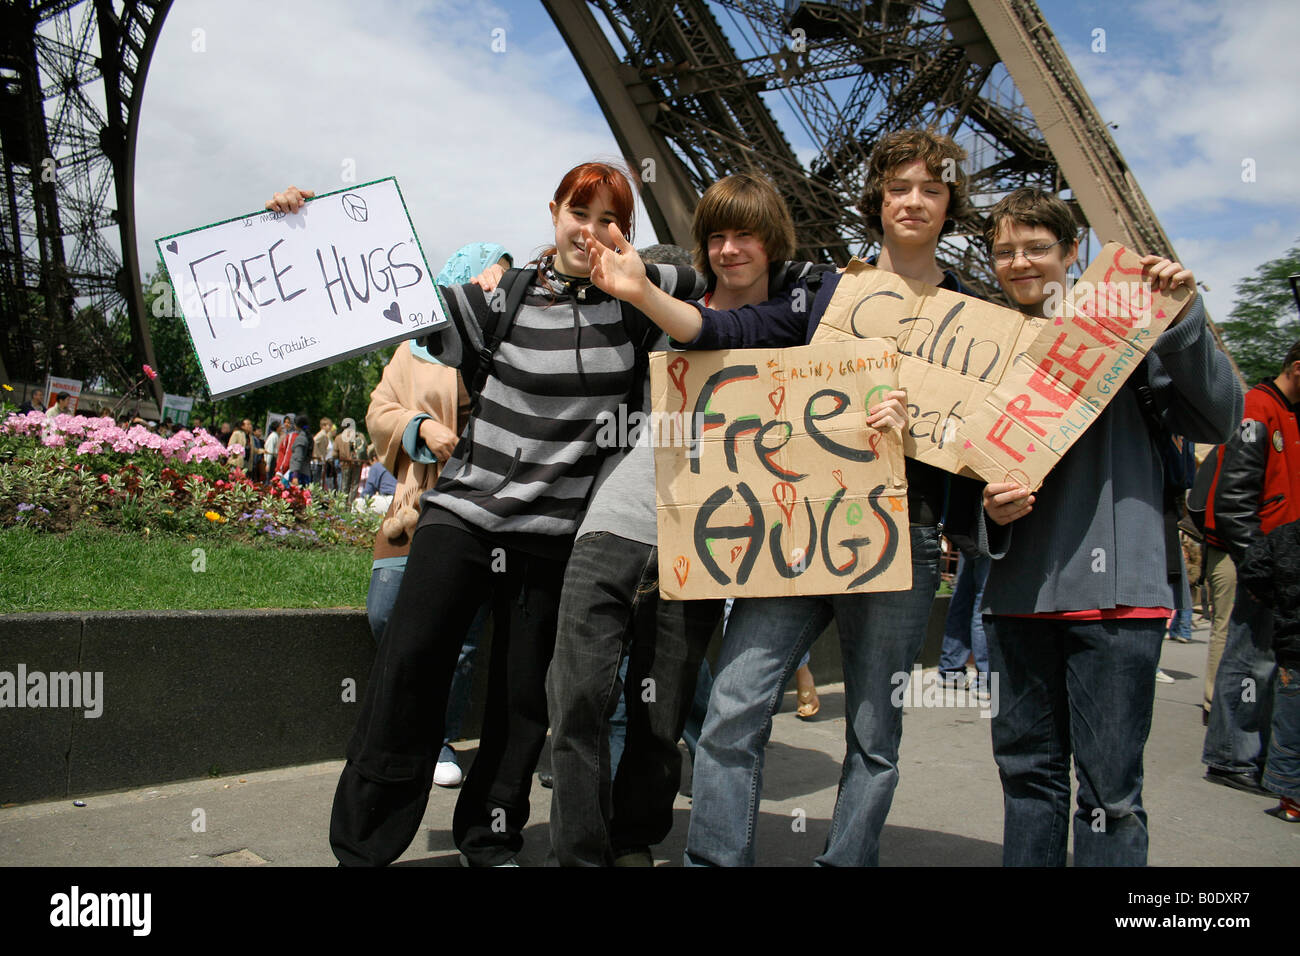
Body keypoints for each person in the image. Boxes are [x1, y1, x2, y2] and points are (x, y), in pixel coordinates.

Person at [268, 162, 709, 867]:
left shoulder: (634, 306)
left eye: (608, 220)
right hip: (464, 518)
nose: (588, 231)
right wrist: (313, 230)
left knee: (520, 703)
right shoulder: (505, 295)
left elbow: (715, 288)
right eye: (578, 212)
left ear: (624, 233)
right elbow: (400, 302)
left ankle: (491, 834)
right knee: (408, 671)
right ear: (553, 212)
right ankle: (362, 843)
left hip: (555, 538)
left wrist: (636, 279)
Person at [584, 128, 983, 866]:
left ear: (952, 201)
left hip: (903, 530)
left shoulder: (973, 317)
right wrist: (640, 292)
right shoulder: (832, 291)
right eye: (900, 188)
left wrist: (921, 425)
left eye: (932, 188)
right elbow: (728, 327)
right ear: (879, 199)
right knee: (734, 706)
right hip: (799, 524)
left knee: (874, 735)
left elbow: (981, 440)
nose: (914, 201)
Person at [544, 174, 826, 866]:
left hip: (703, 539)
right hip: (617, 520)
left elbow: (725, 333)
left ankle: (635, 838)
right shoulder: (666, 293)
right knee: (577, 697)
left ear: (774, 242)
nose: (729, 249)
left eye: (746, 235)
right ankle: (579, 853)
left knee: (659, 713)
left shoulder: (794, 321)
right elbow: (574, 271)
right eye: (717, 236)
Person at [977, 187, 1241, 866]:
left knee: (1109, 794)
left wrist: (1180, 318)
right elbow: (958, 479)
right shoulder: (978, 352)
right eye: (1004, 250)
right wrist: (986, 515)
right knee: (1027, 782)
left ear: (1073, 254)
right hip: (1017, 600)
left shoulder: (1129, 335)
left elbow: (1219, 418)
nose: (1020, 262)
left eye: (1037, 247)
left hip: (1118, 602)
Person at [362, 241, 513, 790]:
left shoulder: (515, 346)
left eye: (503, 280)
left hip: (479, 510)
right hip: (414, 502)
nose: (495, 288)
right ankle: (402, 721)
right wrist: (420, 429)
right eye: (488, 279)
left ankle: (439, 737)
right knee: (385, 612)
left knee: (465, 635)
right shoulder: (414, 349)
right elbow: (380, 409)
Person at [1202, 341, 1300, 794]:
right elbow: (1234, 499)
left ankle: (1248, 752)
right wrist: (1260, 565)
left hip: (1279, 558)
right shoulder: (1258, 409)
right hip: (1267, 560)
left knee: (1266, 659)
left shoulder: (1284, 412)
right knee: (1250, 658)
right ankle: (1230, 756)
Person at [1236, 517, 1300, 822]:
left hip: (1294, 646)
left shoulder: (1288, 534)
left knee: (1290, 728)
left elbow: (1254, 567)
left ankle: (1291, 800)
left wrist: (1278, 600)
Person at [287, 413, 313, 486]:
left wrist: (295, 475)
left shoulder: (301, 438)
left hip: (299, 474)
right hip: (305, 472)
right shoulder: (307, 437)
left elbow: (298, 457)